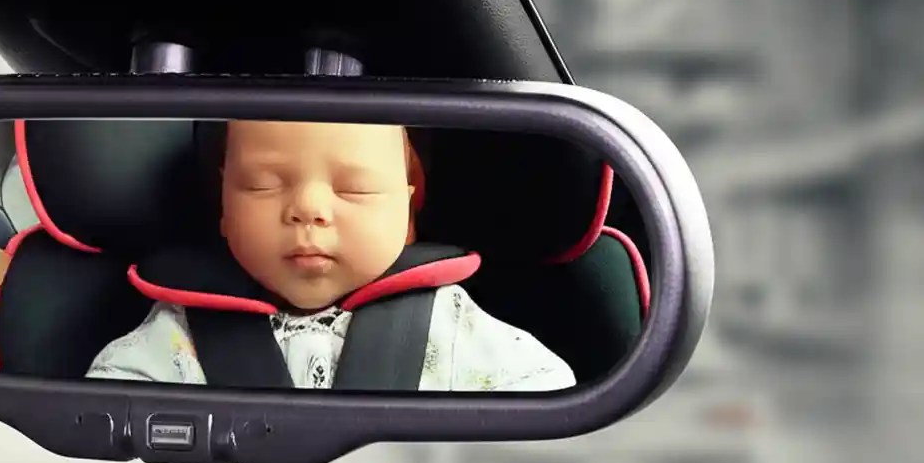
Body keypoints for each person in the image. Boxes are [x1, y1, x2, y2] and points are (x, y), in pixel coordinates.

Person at [86, 119, 575, 391]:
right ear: (224, 210)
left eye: (355, 188)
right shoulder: (182, 331)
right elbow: (106, 402)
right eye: (261, 184)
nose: (308, 209)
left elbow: (545, 390)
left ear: (407, 212)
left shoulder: (449, 324)